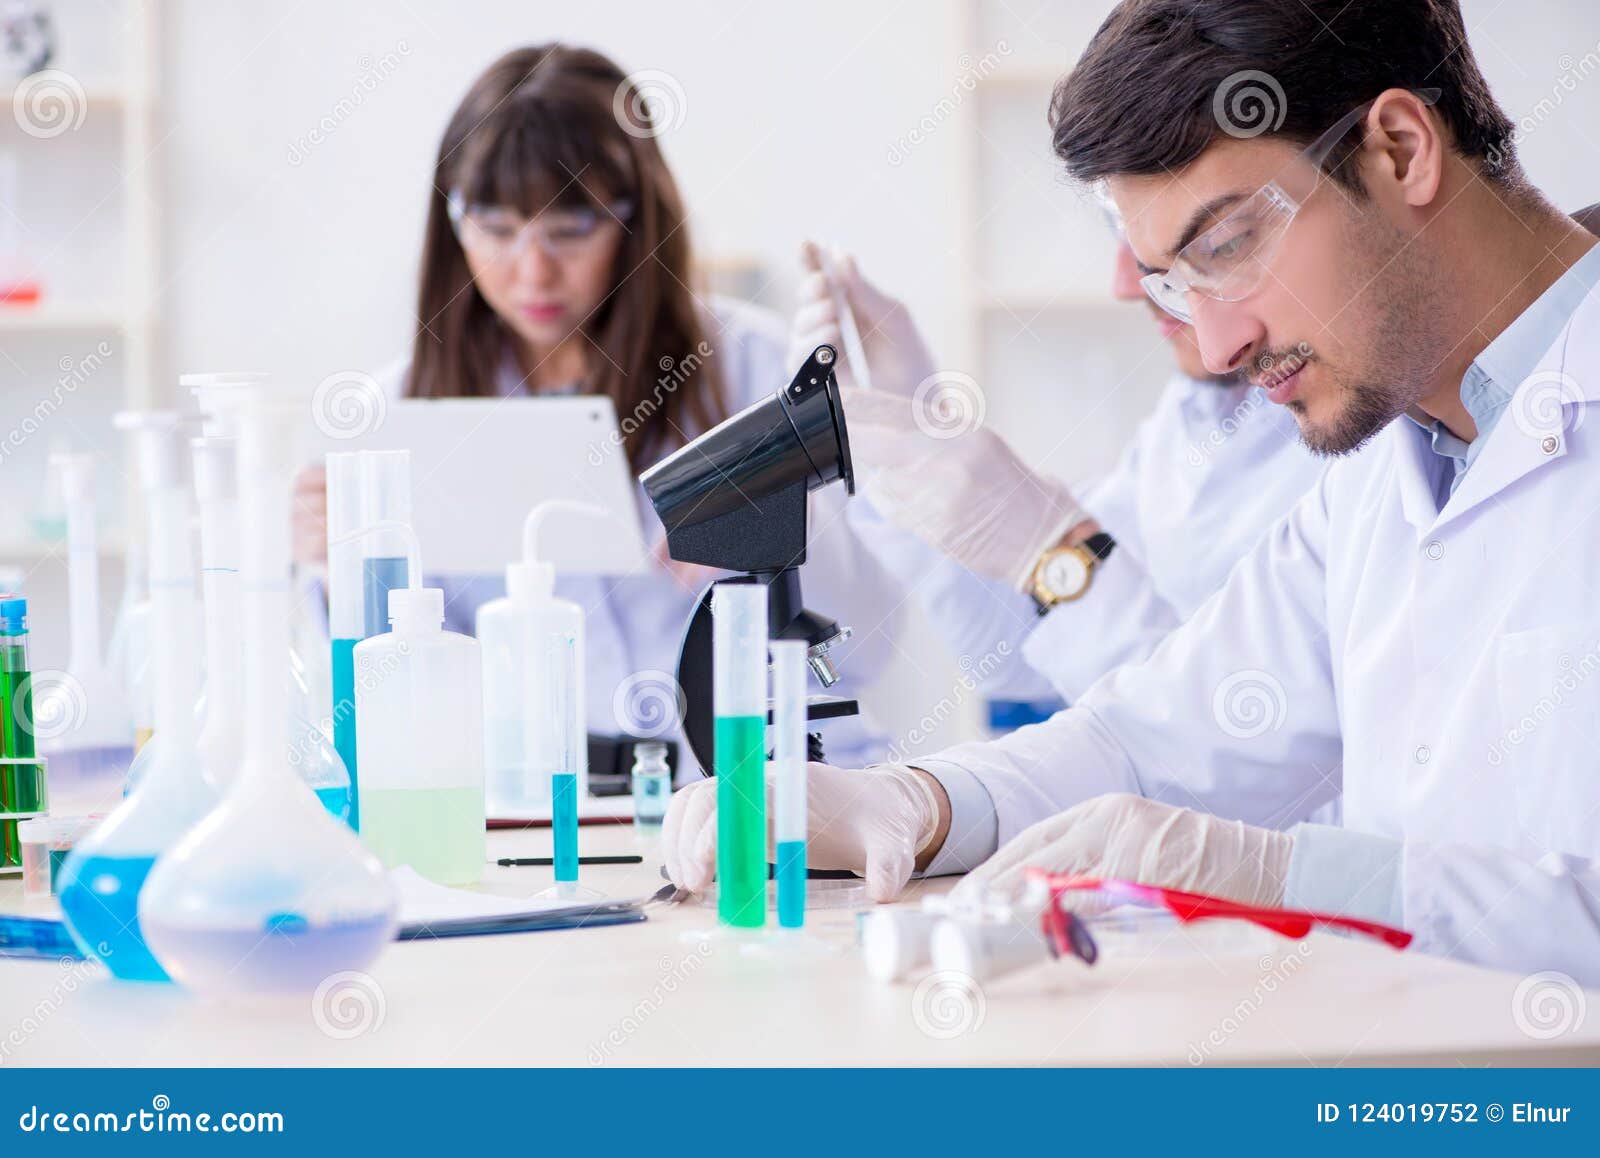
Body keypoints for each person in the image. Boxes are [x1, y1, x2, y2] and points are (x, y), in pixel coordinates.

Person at [666, 0, 1600, 984]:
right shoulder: (1384, 464)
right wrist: (912, 803)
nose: (1216, 345)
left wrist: (1290, 877)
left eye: (1227, 245)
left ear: (1402, 149)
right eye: (1170, 286)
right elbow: (1151, 739)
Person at [291, 44, 902, 767]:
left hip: (761, 785)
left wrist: (772, 544)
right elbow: (380, 704)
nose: (532, 270)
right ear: (451, 222)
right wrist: (338, 574)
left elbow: (872, 641)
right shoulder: (399, 407)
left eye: (569, 229)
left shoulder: (754, 368)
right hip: (533, 811)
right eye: (494, 228)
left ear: (637, 219)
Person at [791, 229, 1325, 715]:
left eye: (1212, 238)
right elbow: (1016, 665)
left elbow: (1229, 734)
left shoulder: (1341, 433)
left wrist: (1055, 552)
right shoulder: (1193, 413)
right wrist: (903, 444)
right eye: (1116, 233)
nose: (1125, 284)